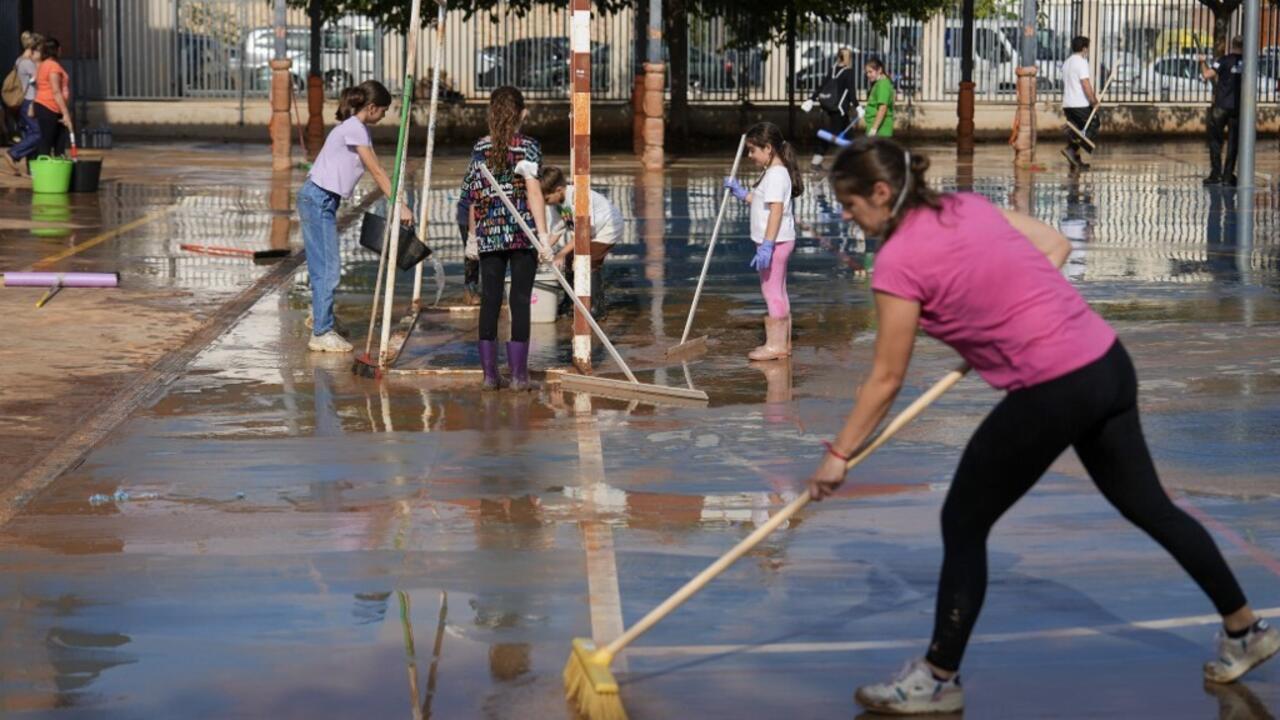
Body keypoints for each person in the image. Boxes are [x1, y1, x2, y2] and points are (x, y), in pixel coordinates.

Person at [808, 137, 1278, 715]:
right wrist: (1002, 311)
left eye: (852, 208)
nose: (852, 221)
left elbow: (886, 377)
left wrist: (840, 455)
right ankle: (1243, 629)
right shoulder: (967, 207)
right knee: (1150, 506)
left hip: (1054, 388)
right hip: (1107, 363)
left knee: (963, 520)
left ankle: (937, 677)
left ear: (881, 193)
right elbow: (1052, 245)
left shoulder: (899, 260)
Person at [298, 81, 407, 353]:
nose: (384, 115)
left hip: (319, 199)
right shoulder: (355, 129)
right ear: (371, 108)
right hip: (318, 199)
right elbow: (377, 171)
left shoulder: (354, 128)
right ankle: (321, 332)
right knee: (329, 268)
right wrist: (400, 205)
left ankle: (322, 318)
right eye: (383, 110)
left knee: (322, 265)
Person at [460, 85, 550, 392]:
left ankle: (489, 375)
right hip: (522, 233)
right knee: (520, 300)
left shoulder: (479, 148)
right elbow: (534, 191)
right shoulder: (528, 147)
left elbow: (472, 197)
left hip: (489, 232)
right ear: (522, 114)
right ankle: (519, 377)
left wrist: (473, 236)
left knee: (490, 299)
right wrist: (544, 235)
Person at [723, 122, 803, 362]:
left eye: (753, 150)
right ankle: (783, 342)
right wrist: (741, 193)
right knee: (779, 291)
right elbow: (764, 204)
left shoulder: (777, 174)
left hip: (775, 242)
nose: (750, 155)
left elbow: (776, 211)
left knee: (771, 292)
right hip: (778, 240)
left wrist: (767, 244)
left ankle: (776, 346)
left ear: (768, 148)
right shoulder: (773, 172)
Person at [537, 165, 623, 318]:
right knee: (570, 258)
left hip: (607, 228)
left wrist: (562, 253)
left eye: (547, 199)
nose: (545, 203)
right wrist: (545, 248)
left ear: (558, 190)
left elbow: (583, 233)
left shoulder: (578, 197)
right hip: (587, 232)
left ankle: (597, 307)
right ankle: (570, 301)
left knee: (589, 260)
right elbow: (556, 230)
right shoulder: (555, 204)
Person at [801, 48, 860, 167]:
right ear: (848, 58)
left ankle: (852, 163)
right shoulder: (848, 72)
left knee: (844, 136)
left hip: (829, 108)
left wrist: (812, 99)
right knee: (832, 136)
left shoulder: (833, 70)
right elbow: (851, 92)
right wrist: (858, 107)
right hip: (840, 110)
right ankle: (850, 164)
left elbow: (822, 86)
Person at [1200, 36, 1244, 187]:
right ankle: (1227, 176)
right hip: (1238, 108)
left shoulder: (1224, 60)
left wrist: (1202, 62)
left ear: (1232, 45)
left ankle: (1215, 174)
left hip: (1221, 106)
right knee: (1233, 143)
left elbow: (1207, 75)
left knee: (1215, 141)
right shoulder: (1249, 62)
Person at [3, 32, 42, 175]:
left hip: (22, 103)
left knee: (29, 134)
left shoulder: (19, 60)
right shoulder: (28, 63)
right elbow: (38, 82)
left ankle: (32, 170)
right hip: (29, 102)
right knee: (38, 133)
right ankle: (13, 153)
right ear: (35, 47)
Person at [1061, 35, 1098, 169]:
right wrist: (1093, 100)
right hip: (1079, 104)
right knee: (1094, 123)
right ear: (1084, 49)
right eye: (1087, 48)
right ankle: (1071, 149)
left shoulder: (1067, 62)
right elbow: (1085, 83)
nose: (1087, 51)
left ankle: (1076, 161)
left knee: (1076, 130)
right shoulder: (1081, 62)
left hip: (1067, 105)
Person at [33, 37, 72, 158]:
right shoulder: (53, 67)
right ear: (58, 50)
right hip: (50, 107)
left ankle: (57, 171)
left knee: (55, 141)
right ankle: (44, 172)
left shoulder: (43, 65)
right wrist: (66, 113)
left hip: (49, 107)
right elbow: (56, 91)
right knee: (48, 141)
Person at [863, 57, 895, 138]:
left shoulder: (883, 85)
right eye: (867, 72)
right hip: (875, 128)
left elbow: (883, 108)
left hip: (880, 130)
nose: (868, 75)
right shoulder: (878, 83)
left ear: (879, 70)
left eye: (870, 72)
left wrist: (874, 129)